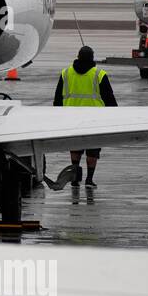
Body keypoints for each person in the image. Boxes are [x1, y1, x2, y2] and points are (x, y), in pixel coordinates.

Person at [53, 44, 117, 188]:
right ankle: (89, 180)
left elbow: (57, 98)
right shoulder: (99, 74)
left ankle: (75, 179)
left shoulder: (66, 73)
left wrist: (57, 115)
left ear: (78, 57)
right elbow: (109, 98)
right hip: (94, 120)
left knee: (75, 149)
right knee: (92, 152)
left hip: (72, 118)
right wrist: (114, 115)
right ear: (92, 58)